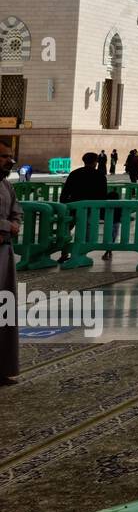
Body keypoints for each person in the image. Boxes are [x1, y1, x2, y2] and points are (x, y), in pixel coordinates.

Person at [57, 152, 111, 262]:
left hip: (73, 206)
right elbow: (102, 195)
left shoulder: (75, 173)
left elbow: (65, 191)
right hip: (90, 208)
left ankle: (64, 252)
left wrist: (65, 205)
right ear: (95, 162)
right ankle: (81, 253)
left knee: (67, 230)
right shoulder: (99, 175)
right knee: (86, 231)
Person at [0, 142, 20, 384]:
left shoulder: (6, 185)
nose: (9, 161)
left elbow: (18, 211)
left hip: (4, 253)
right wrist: (7, 226)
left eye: (10, 157)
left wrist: (13, 226)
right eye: (4, 156)